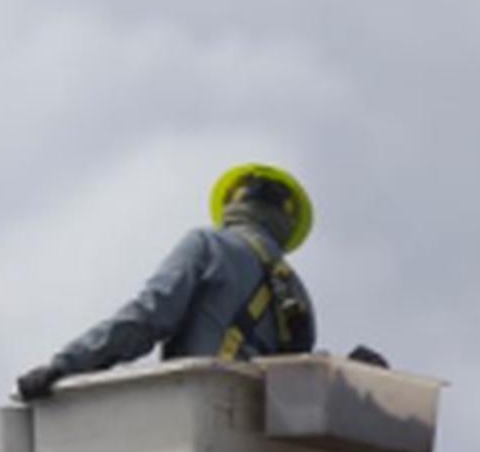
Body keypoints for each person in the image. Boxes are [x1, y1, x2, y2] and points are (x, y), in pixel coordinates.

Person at [16, 164, 317, 400]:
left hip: (201, 407)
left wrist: (66, 365)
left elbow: (149, 317)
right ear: (287, 226)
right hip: (262, 443)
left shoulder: (209, 244)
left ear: (232, 204)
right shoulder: (298, 294)